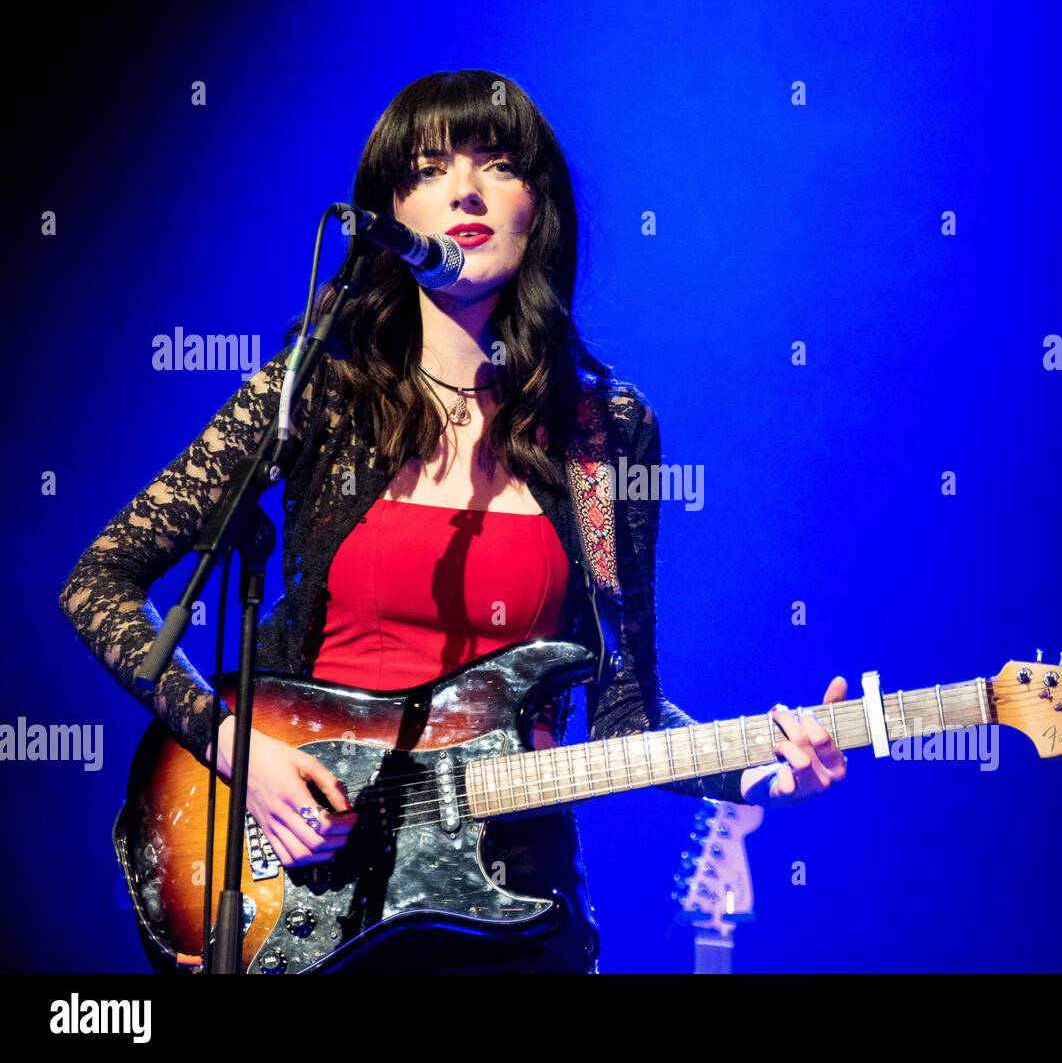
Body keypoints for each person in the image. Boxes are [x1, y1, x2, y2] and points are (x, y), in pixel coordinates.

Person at [58, 69, 847, 974]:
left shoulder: (605, 428)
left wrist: (757, 772)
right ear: (393, 214)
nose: (466, 190)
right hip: (312, 882)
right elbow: (98, 579)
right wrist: (236, 750)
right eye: (430, 169)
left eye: (499, 165)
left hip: (514, 900)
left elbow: (625, 714)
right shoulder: (321, 388)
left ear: (536, 208)